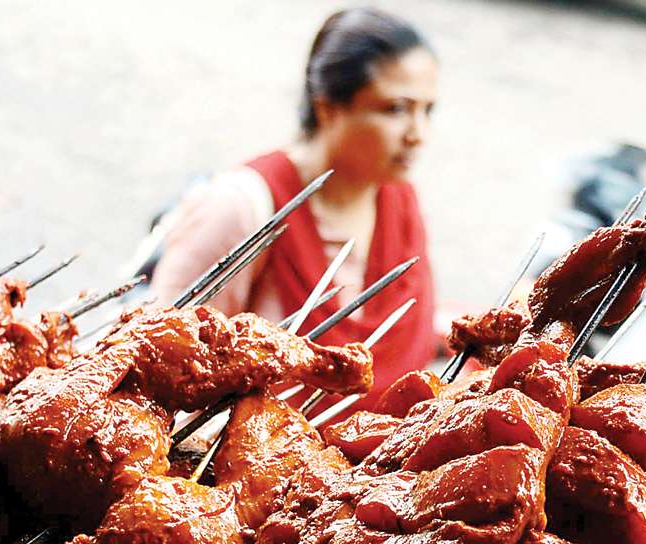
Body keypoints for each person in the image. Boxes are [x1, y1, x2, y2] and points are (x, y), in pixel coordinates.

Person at [149, 8, 438, 402]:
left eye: (428, 111)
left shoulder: (399, 200)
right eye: (396, 109)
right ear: (329, 107)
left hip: (384, 458)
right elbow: (159, 359)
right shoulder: (242, 206)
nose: (418, 134)